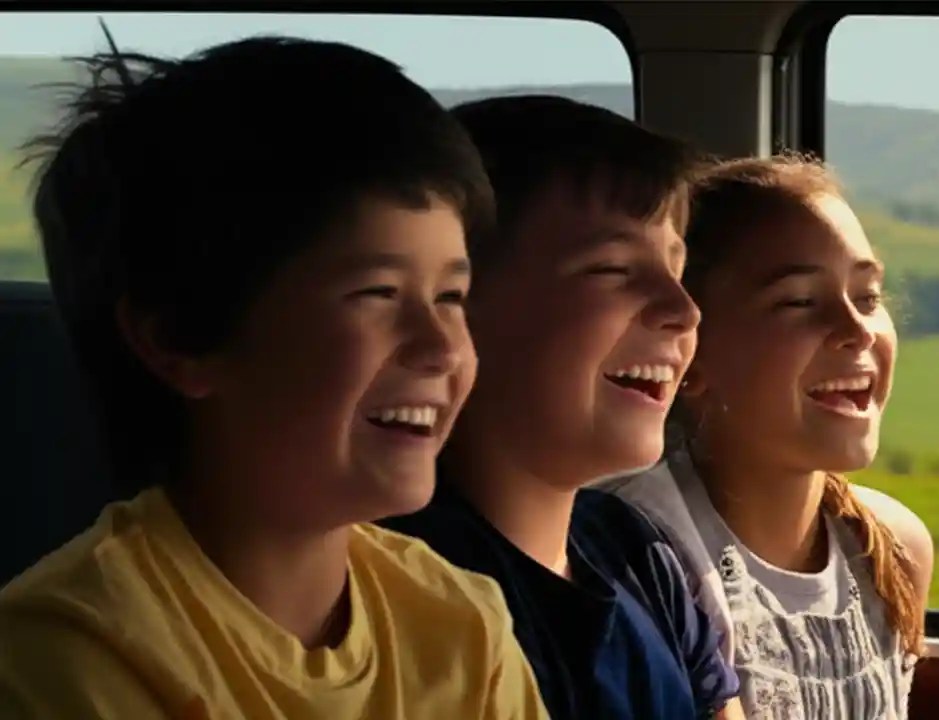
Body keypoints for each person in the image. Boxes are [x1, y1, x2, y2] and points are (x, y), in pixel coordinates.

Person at [0, 37, 547, 719]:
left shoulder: (462, 622)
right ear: (181, 339)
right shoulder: (71, 652)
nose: (442, 347)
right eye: (377, 293)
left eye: (450, 298)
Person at [382, 96, 743, 720]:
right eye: (611, 268)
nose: (683, 311)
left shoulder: (633, 550)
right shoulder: (412, 595)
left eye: (676, 269)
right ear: (457, 305)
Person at [600, 155, 935, 719]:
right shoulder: (647, 554)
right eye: (799, 302)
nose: (856, 330)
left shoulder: (891, 548)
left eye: (870, 297)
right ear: (693, 351)